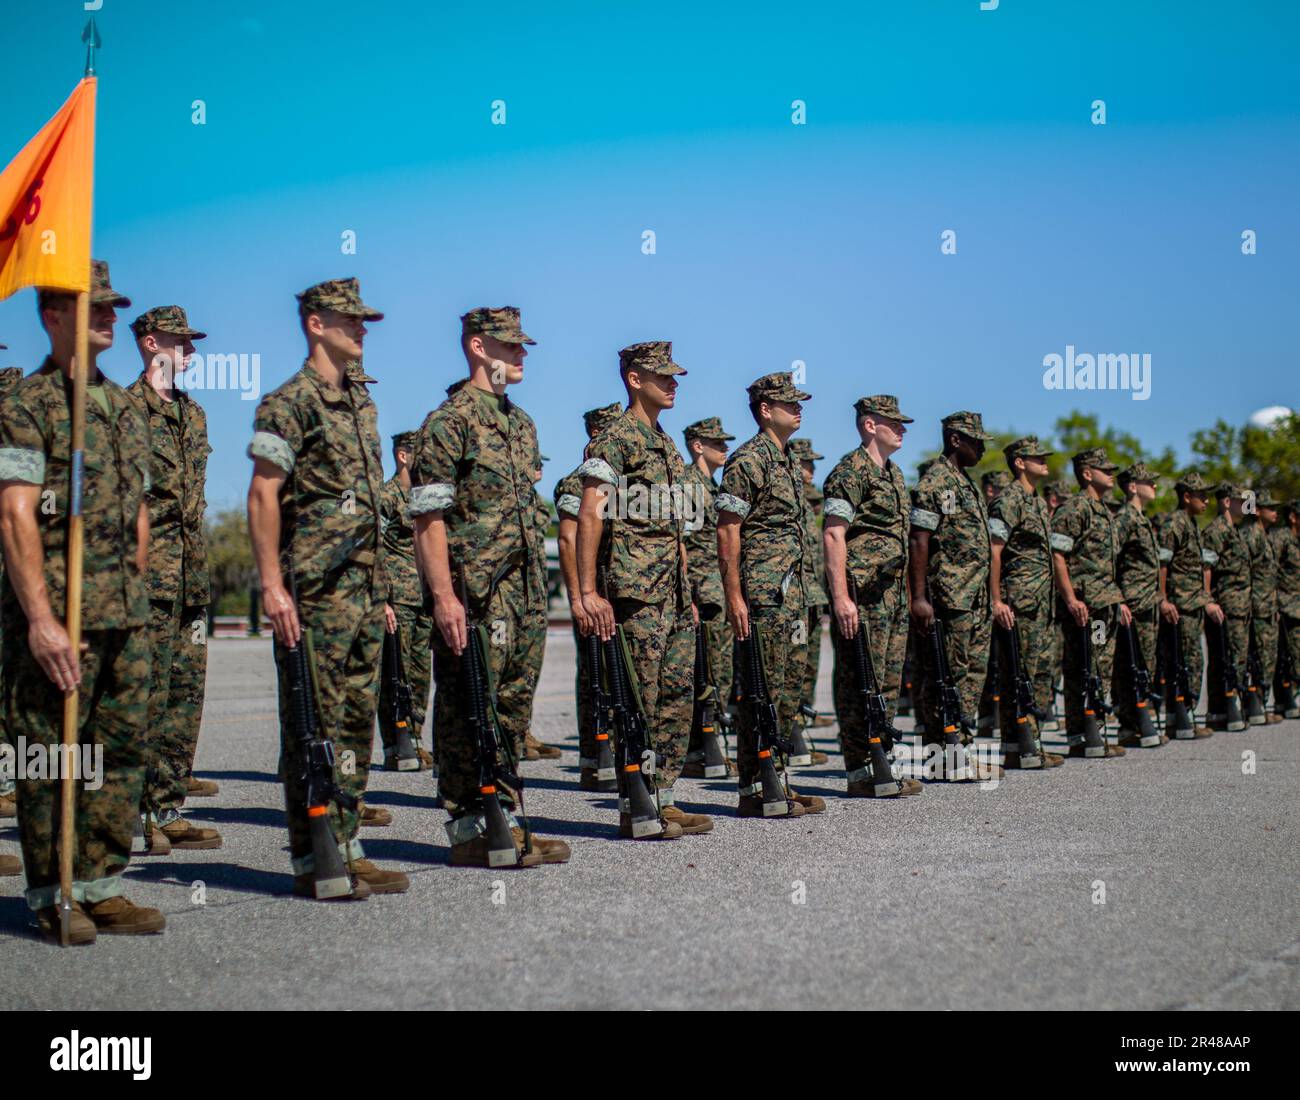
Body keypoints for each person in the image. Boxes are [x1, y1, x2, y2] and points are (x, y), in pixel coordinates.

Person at [0, 260, 165, 940]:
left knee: (119, 752)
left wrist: (138, 582)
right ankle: (52, 892)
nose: (109, 315)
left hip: (123, 614)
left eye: (113, 305)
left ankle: (100, 883)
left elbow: (139, 511)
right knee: (50, 754)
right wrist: (40, 620)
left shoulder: (125, 407)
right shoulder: (28, 405)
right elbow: (14, 514)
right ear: (52, 315)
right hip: (60, 615)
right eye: (93, 305)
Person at [248, 277, 409, 899]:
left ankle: (345, 840)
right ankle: (310, 855)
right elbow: (264, 494)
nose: (363, 328)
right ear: (316, 324)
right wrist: (272, 585)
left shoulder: (362, 403)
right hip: (315, 590)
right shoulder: (287, 403)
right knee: (310, 722)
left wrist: (386, 588)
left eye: (365, 319)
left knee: (351, 721)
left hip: (366, 590)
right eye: (350, 319)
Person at [409, 306, 569, 867]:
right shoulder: (449, 422)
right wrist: (444, 597)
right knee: (463, 707)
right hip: (475, 594)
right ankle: (470, 831)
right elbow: (428, 518)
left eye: (523, 345)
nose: (521, 354)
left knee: (510, 711)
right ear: (478, 348)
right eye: (509, 346)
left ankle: (510, 822)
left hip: (523, 591)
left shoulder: (521, 424)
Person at [577, 342, 711, 838]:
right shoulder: (616, 439)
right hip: (636, 592)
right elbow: (592, 511)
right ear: (635, 379)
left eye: (676, 377)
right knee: (641, 697)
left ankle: (665, 796)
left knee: (677, 696)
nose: (674, 384)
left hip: (673, 594)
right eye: (663, 377)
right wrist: (589, 591)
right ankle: (636, 802)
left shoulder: (666, 442)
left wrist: (690, 594)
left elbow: (674, 524)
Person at [125, 306, 223, 852]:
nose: (189, 351)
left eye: (192, 343)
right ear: (148, 342)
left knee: (185, 698)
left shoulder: (195, 414)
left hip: (191, 581)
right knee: (145, 697)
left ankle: (167, 806)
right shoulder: (124, 410)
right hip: (146, 580)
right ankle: (134, 811)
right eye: (179, 341)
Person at [717, 372, 826, 817]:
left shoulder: (785, 461)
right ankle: (752, 788)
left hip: (793, 594)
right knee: (760, 688)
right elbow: (727, 530)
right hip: (762, 595)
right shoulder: (748, 460)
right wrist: (736, 597)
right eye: (789, 403)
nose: (798, 409)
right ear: (765, 410)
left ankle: (776, 778)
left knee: (785, 690)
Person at [822, 395, 923, 796]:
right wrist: (842, 598)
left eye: (902, 423)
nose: (901, 429)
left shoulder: (895, 474)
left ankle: (883, 761)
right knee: (858, 680)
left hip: (892, 595)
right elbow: (833, 534)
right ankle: (860, 771)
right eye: (892, 423)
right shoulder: (850, 471)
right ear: (869, 425)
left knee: (887, 682)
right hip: (863, 595)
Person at [908, 411, 1002, 781]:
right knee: (948, 676)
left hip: (972, 596)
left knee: (970, 676)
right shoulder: (938, 483)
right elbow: (920, 539)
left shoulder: (963, 482)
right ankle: (944, 756)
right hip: (950, 597)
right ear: (955, 440)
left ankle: (958, 751)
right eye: (975, 441)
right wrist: (919, 597)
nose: (981, 448)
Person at [555, 403, 623, 789]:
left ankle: (611, 755)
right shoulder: (573, 483)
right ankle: (592, 757)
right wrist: (579, 598)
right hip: (592, 591)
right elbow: (567, 539)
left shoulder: (620, 483)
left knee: (613, 676)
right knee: (595, 676)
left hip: (613, 591)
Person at [987, 436, 1065, 768]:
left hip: (1040, 601)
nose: (1044, 461)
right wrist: (996, 599)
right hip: (1020, 599)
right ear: (1019, 462)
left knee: (1035, 672)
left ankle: (1024, 745)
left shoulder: (1034, 501)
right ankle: (1020, 747)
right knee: (1020, 672)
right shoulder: (1010, 500)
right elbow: (994, 550)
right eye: (1037, 457)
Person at [1050, 448, 1129, 759]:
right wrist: (1070, 598)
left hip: (1104, 603)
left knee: (1098, 666)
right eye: (1103, 468)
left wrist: (1119, 601)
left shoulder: (1103, 510)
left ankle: (1091, 732)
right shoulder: (1075, 509)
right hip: (1086, 605)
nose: (1110, 473)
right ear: (1086, 473)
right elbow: (1058, 556)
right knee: (1084, 667)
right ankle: (1082, 735)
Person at [679, 415, 738, 779]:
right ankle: (698, 746)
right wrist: (688, 596)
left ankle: (709, 739)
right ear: (698, 445)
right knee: (704, 672)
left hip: (716, 589)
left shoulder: (712, 487)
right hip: (702, 591)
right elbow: (680, 542)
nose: (725, 448)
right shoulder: (688, 484)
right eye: (717, 443)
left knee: (719, 668)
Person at [377, 430, 436, 771]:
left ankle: (415, 737)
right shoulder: (387, 496)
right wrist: (383, 599)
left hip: (424, 594)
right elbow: (378, 549)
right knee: (395, 671)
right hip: (398, 595)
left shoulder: (423, 496)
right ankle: (393, 743)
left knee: (419, 670)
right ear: (402, 456)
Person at [1110, 462, 1168, 748]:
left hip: (1147, 602)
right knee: (1130, 665)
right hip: (1133, 602)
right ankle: (1129, 725)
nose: (1154, 487)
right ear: (1133, 486)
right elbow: (1110, 558)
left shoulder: (1141, 519)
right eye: (1150, 482)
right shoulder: (1125, 519)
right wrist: (1118, 599)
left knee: (1144, 664)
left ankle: (1135, 723)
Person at [1157, 471, 1217, 738]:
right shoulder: (1174, 524)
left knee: (1190, 661)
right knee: (1186, 661)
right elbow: (1162, 565)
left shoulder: (1191, 524)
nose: (1206, 500)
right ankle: (1181, 717)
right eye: (1201, 495)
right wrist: (1163, 599)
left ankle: (1183, 717)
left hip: (1193, 604)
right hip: (1179, 606)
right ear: (1186, 496)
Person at [789, 437, 834, 742]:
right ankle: (792, 730)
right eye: (807, 462)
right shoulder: (791, 498)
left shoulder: (806, 501)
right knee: (794, 664)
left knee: (808, 662)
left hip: (813, 595)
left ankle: (800, 724)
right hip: (796, 597)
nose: (812, 469)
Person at [1202, 484, 1253, 730]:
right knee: (1226, 657)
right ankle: (1219, 710)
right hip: (1226, 604)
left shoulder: (1237, 530)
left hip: (1241, 606)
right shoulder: (1216, 531)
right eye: (1239, 500)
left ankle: (1226, 709)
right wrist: (1209, 600)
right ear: (1226, 502)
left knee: (1236, 657)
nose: (1245, 504)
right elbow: (1206, 568)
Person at [1239, 489, 1282, 724]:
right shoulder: (1250, 535)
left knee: (1267, 657)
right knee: (1256, 656)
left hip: (1268, 607)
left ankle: (1261, 705)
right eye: (1270, 507)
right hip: (1255, 606)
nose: (1275, 512)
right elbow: (1245, 572)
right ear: (1256, 510)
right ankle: (1253, 706)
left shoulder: (1266, 535)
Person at [1269, 500, 1300, 718]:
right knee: (1286, 655)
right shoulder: (1280, 538)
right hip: (1285, 605)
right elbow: (1269, 570)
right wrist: (1274, 601)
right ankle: (1284, 698)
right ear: (1292, 517)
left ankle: (1288, 699)